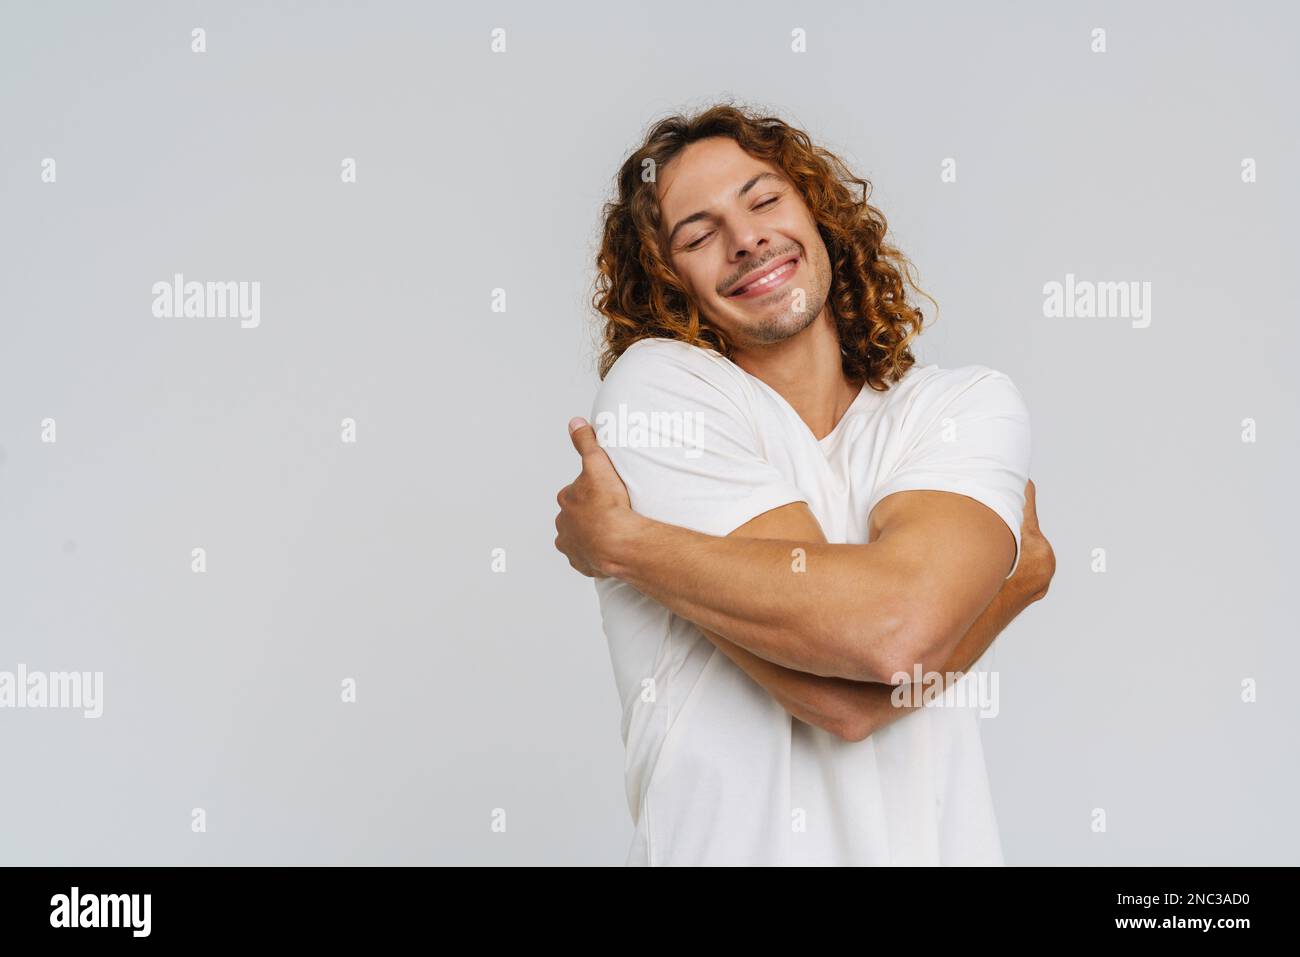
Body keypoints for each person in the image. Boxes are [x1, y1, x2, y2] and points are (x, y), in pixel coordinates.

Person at [554, 103, 1055, 866]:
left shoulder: (959, 407)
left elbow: (888, 637)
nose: (746, 238)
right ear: (667, 282)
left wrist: (629, 546)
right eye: (698, 233)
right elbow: (845, 693)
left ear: (818, 213)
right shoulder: (658, 394)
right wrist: (1007, 590)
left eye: (764, 200)